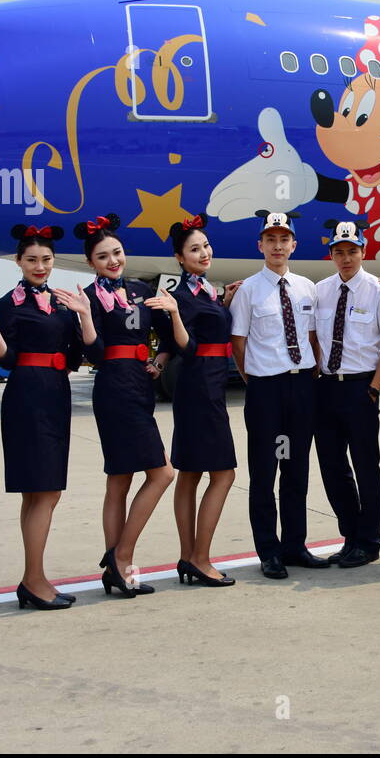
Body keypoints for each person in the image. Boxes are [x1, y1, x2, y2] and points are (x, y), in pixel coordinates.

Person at [0, 223, 98, 608]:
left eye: (46, 260)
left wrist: (84, 315)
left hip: (57, 394)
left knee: (40, 491)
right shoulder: (8, 304)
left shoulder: (62, 301)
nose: (40, 266)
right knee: (45, 490)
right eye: (32, 260)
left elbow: (82, 354)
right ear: (18, 261)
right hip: (28, 396)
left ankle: (33, 579)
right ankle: (33, 580)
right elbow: (8, 358)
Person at [74, 214, 175, 594]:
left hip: (140, 384)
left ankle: (117, 567)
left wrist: (159, 362)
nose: (112, 261)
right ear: (91, 263)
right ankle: (120, 556)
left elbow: (166, 338)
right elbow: (95, 352)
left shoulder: (138, 290)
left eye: (116, 253)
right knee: (161, 473)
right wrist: (84, 315)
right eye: (103, 257)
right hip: (114, 387)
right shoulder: (87, 298)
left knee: (120, 480)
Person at [229, 210, 328, 580]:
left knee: (296, 470)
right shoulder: (249, 291)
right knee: (265, 472)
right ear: (260, 245)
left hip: (301, 387)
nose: (277, 245)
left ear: (293, 245)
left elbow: (314, 336)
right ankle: (269, 551)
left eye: (284, 239)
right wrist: (254, 380)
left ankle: (295, 546)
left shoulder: (306, 287)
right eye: (270, 239)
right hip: (266, 391)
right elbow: (238, 344)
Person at [145, 215, 242, 587]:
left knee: (191, 473)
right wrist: (175, 315)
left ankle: (188, 557)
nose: (204, 253)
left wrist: (225, 301)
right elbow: (186, 344)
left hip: (205, 384)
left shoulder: (204, 292)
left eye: (205, 246)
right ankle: (200, 558)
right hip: (201, 386)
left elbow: (174, 345)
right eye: (194, 250)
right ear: (180, 258)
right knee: (223, 473)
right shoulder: (180, 298)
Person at [314, 220, 380, 568]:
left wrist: (374, 388)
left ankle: (370, 542)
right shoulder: (320, 290)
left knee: (366, 468)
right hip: (326, 389)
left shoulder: (379, 291)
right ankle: (350, 536)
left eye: (352, 251)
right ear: (332, 255)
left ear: (363, 252)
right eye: (339, 252)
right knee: (333, 468)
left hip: (361, 388)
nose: (346, 257)